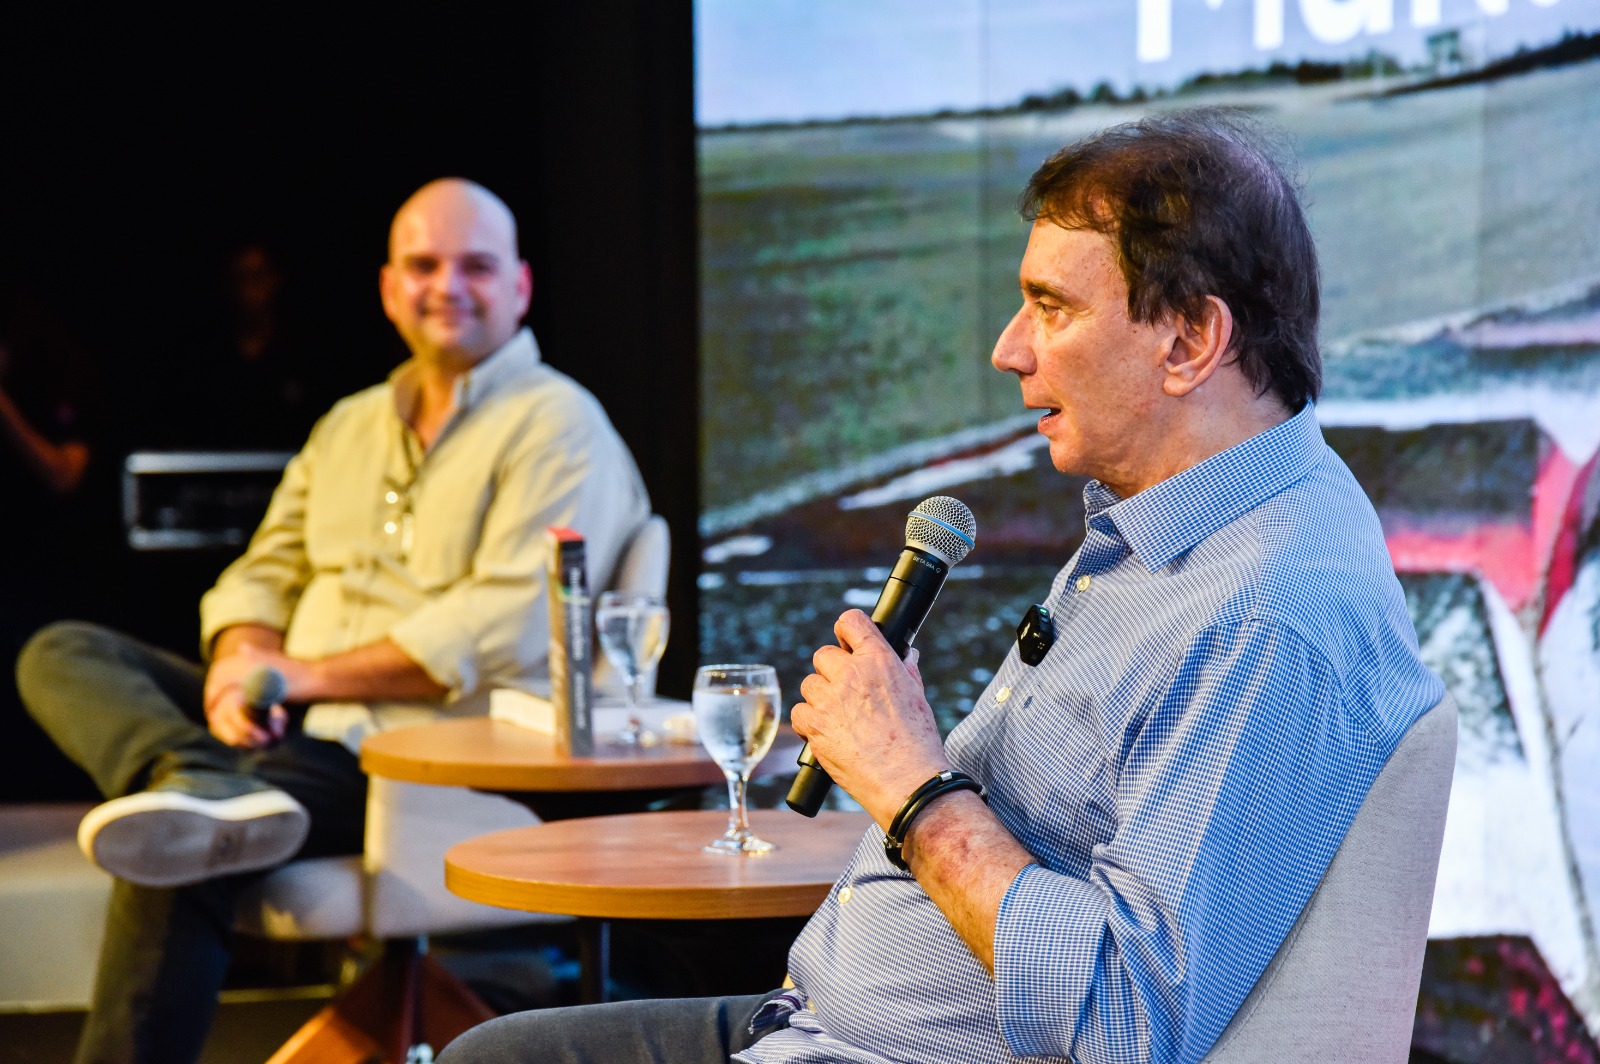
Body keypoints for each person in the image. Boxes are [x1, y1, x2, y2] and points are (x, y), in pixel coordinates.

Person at [439, 110, 1444, 1064]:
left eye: (1050, 306)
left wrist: (908, 782)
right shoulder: (1166, 521)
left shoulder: (1266, 612)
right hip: (820, 1019)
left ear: (1187, 340)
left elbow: (1124, 1017)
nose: (1007, 348)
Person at [17, 177, 651, 1064]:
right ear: (391, 288)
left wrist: (299, 677)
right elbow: (265, 570)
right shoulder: (349, 424)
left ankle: (204, 795)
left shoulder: (558, 422)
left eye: (476, 266)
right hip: (285, 722)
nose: (449, 286)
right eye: (424, 266)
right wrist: (241, 661)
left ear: (520, 287)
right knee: (63, 650)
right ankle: (202, 774)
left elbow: (500, 626)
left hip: (414, 757)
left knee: (178, 843)